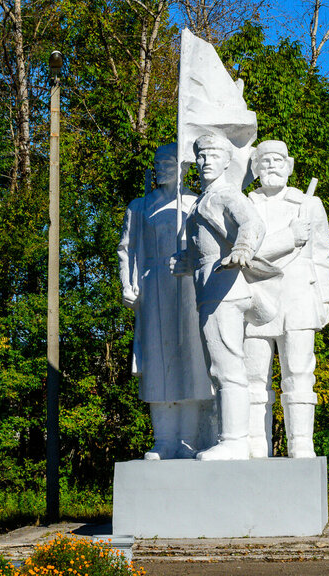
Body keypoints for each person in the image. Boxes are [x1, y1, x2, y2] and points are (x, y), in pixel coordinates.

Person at [172, 133, 268, 461]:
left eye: (214, 155)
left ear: (227, 161)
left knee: (227, 366)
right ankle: (228, 437)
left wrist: (243, 248)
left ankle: (235, 440)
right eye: (201, 156)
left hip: (224, 290)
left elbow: (252, 223)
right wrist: (187, 262)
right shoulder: (203, 200)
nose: (206, 161)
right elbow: (205, 247)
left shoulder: (225, 194)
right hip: (208, 291)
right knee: (219, 367)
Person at [117, 143, 214, 460]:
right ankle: (164, 439)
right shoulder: (140, 206)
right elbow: (126, 248)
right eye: (157, 163)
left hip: (187, 286)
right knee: (158, 363)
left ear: (183, 167)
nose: (160, 168)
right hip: (153, 286)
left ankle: (187, 439)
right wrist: (127, 283)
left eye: (168, 162)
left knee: (190, 362)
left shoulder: (196, 203)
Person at [242, 140, 329, 458]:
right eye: (264, 160)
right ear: (254, 168)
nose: (271, 165)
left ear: (289, 165)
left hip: (299, 296)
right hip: (257, 296)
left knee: (299, 371)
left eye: (278, 160)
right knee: (253, 374)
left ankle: (301, 441)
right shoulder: (245, 205)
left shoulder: (309, 204)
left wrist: (325, 300)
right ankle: (256, 442)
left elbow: (322, 254)